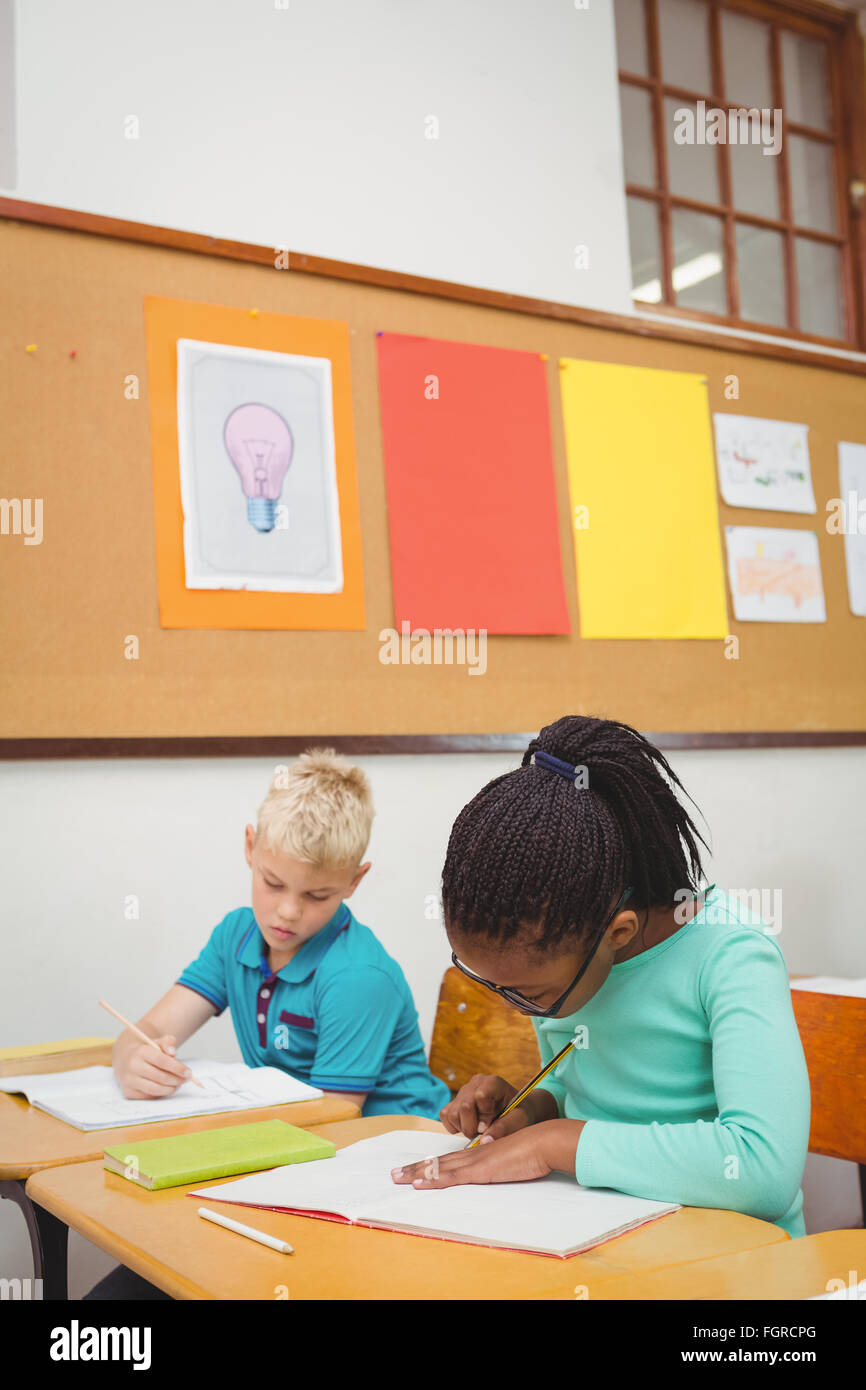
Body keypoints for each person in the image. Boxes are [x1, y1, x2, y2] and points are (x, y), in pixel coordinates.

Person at [392, 715, 810, 1241]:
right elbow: (587, 1095)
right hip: (603, 1237)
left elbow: (760, 1170)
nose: (519, 1010)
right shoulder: (571, 958)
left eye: (532, 996)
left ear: (618, 932)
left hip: (737, 1260)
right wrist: (531, 1111)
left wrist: (554, 1142)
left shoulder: (731, 957)